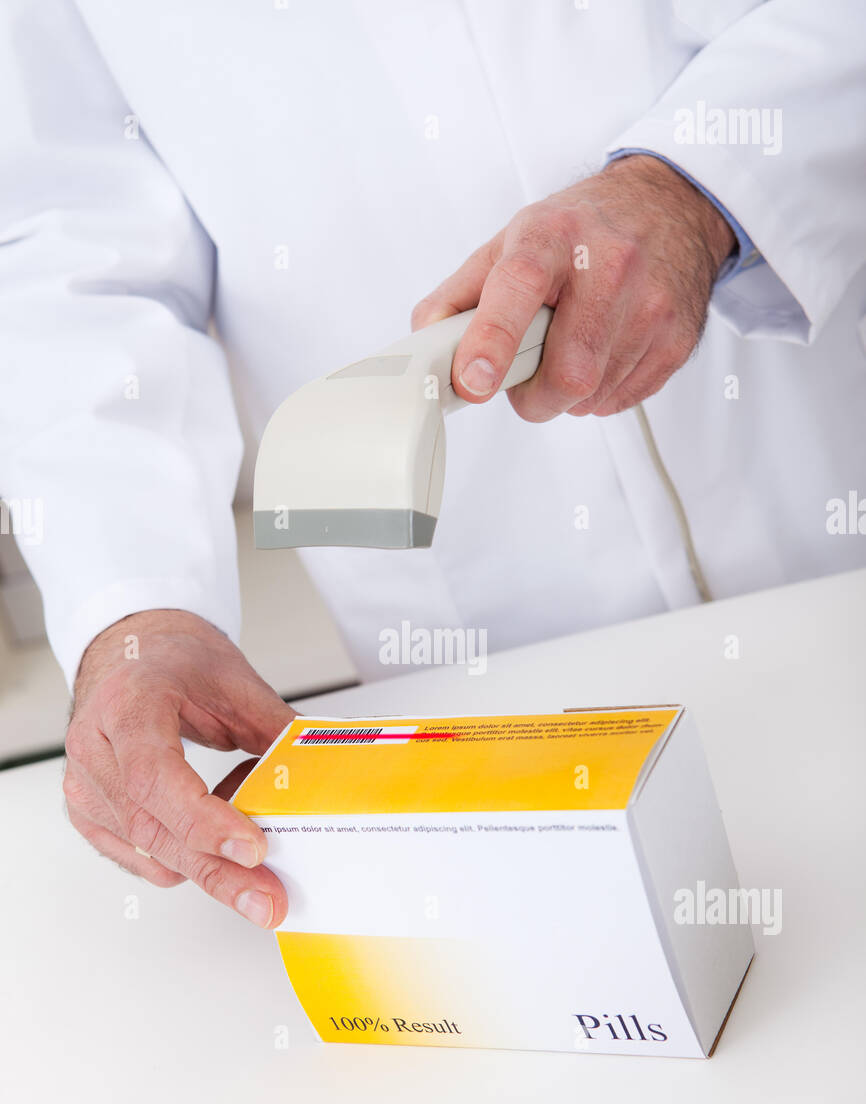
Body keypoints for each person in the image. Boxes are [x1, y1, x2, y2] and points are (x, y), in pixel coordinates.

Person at [2, 0, 864, 928]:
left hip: (820, 515)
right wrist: (135, 602)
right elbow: (74, 254)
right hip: (472, 647)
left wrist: (702, 189)